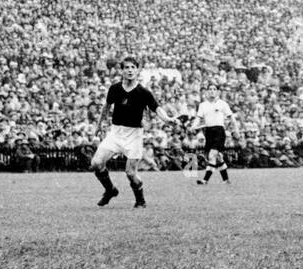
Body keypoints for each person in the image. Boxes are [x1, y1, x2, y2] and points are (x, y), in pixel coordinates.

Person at [90, 56, 178, 208]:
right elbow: (107, 106)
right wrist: (99, 125)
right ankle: (110, 190)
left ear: (137, 70)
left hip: (134, 135)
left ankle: (140, 201)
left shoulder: (143, 92)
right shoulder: (115, 88)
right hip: (116, 132)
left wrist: (168, 119)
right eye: (127, 67)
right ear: (122, 71)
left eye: (133, 67)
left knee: (130, 173)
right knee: (96, 163)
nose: (130, 70)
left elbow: (157, 108)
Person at [194, 84, 236, 185]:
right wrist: (193, 126)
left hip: (219, 131)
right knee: (218, 157)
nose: (212, 91)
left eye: (214, 89)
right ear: (207, 92)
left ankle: (205, 180)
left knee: (212, 155)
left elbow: (231, 117)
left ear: (217, 92)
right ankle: (226, 180)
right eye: (210, 89)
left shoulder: (222, 104)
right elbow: (198, 118)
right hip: (208, 132)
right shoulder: (203, 105)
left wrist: (235, 129)